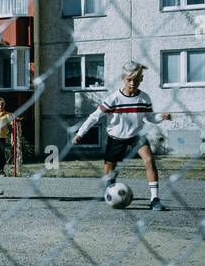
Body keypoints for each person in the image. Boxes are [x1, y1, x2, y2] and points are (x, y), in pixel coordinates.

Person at [74, 61, 172, 210]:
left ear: (141, 79)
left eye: (136, 80)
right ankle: (110, 192)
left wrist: (161, 117)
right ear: (123, 79)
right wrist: (80, 133)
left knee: (149, 160)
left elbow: (149, 117)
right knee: (109, 172)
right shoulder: (113, 99)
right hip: (116, 137)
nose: (133, 83)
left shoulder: (144, 98)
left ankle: (154, 199)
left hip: (136, 136)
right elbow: (94, 117)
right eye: (129, 79)